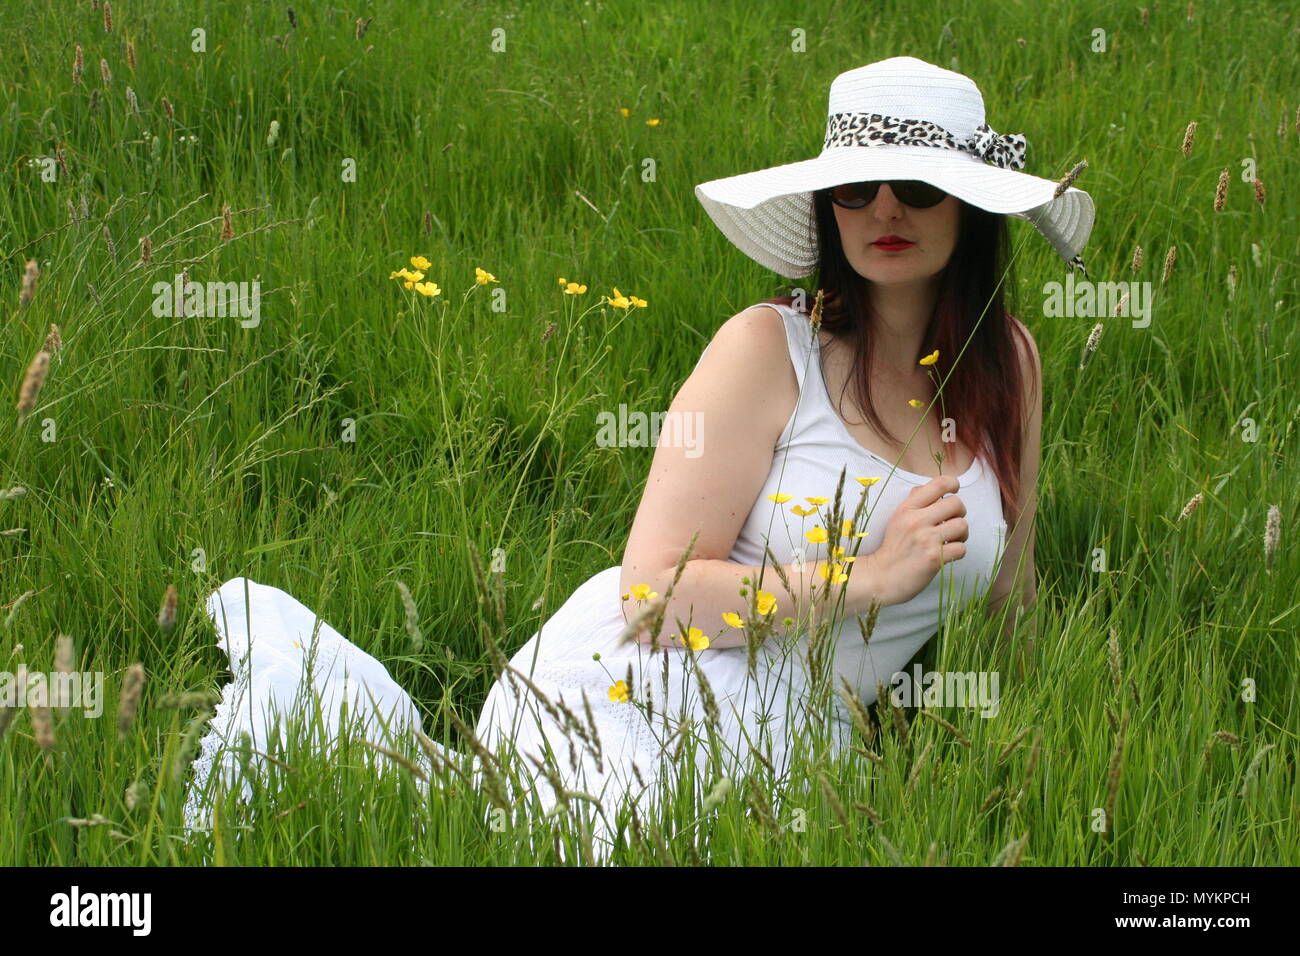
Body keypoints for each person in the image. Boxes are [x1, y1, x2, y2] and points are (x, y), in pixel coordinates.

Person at [183, 55, 1094, 860]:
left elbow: (1013, 584)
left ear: (972, 208)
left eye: (915, 184)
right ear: (828, 210)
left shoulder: (1005, 361)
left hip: (808, 742)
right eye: (855, 188)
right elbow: (651, 596)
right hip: (662, 685)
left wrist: (1055, 732)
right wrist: (864, 579)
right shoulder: (770, 352)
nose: (884, 209)